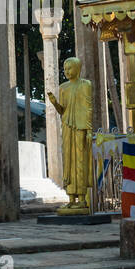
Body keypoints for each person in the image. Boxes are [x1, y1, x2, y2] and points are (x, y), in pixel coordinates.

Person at [47, 56, 93, 213]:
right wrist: (54, 102)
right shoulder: (63, 87)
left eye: (70, 68)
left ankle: (82, 198)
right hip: (67, 125)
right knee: (69, 162)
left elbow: (88, 108)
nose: (66, 71)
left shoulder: (85, 85)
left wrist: (89, 129)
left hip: (80, 126)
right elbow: (63, 111)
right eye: (65, 69)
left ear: (78, 68)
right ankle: (71, 198)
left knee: (80, 161)